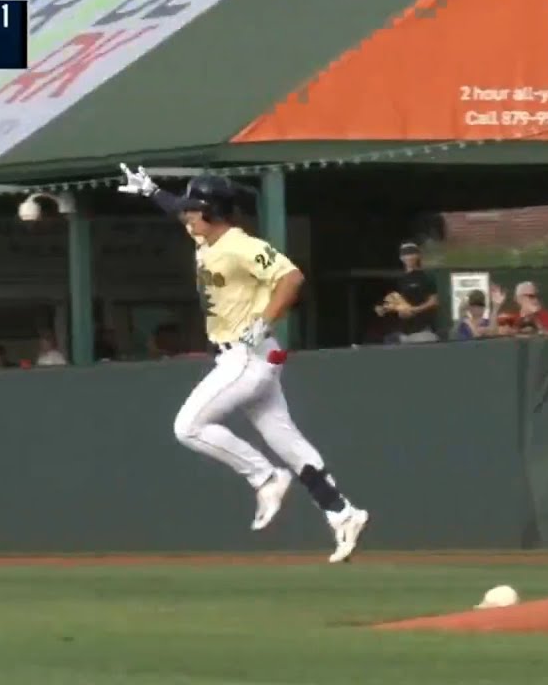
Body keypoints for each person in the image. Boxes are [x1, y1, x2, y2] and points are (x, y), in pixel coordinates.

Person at [118, 163, 369, 563]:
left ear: (212, 212)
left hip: (246, 353)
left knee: (188, 427)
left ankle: (264, 477)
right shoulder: (204, 237)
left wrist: (265, 320)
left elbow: (292, 278)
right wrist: (151, 191)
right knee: (285, 438)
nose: (186, 215)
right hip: (251, 356)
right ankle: (342, 512)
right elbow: (175, 209)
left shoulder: (239, 244)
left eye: (193, 208)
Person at [375, 242, 439, 343]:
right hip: (403, 332)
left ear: (418, 255)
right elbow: (395, 302)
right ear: (401, 257)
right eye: (405, 254)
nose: (408, 257)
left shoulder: (426, 277)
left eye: (411, 253)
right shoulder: (399, 280)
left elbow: (433, 301)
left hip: (423, 330)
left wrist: (415, 310)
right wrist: (383, 309)